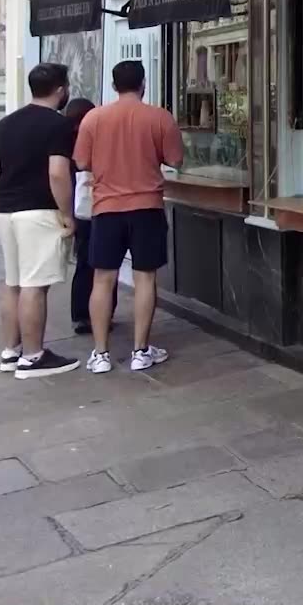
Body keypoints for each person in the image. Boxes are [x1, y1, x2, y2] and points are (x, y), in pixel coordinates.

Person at [74, 60, 184, 375]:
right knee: (145, 278)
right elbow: (176, 159)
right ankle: (140, 351)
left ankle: (100, 353)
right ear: (143, 83)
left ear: (113, 85)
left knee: (102, 279)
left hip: (106, 209)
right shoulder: (160, 117)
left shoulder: (93, 118)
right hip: (147, 207)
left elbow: (81, 162)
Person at [0, 63, 80, 378]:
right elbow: (58, 173)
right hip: (38, 212)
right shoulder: (58, 125)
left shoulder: (8, 122)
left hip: (6, 212)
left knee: (14, 282)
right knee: (36, 285)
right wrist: (67, 214)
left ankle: (11, 352)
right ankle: (33, 357)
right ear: (61, 90)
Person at [62, 97, 101, 335]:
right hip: (96, 204)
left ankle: (81, 315)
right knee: (103, 264)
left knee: (84, 263)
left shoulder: (63, 139)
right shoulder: (90, 138)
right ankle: (100, 312)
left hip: (77, 208)